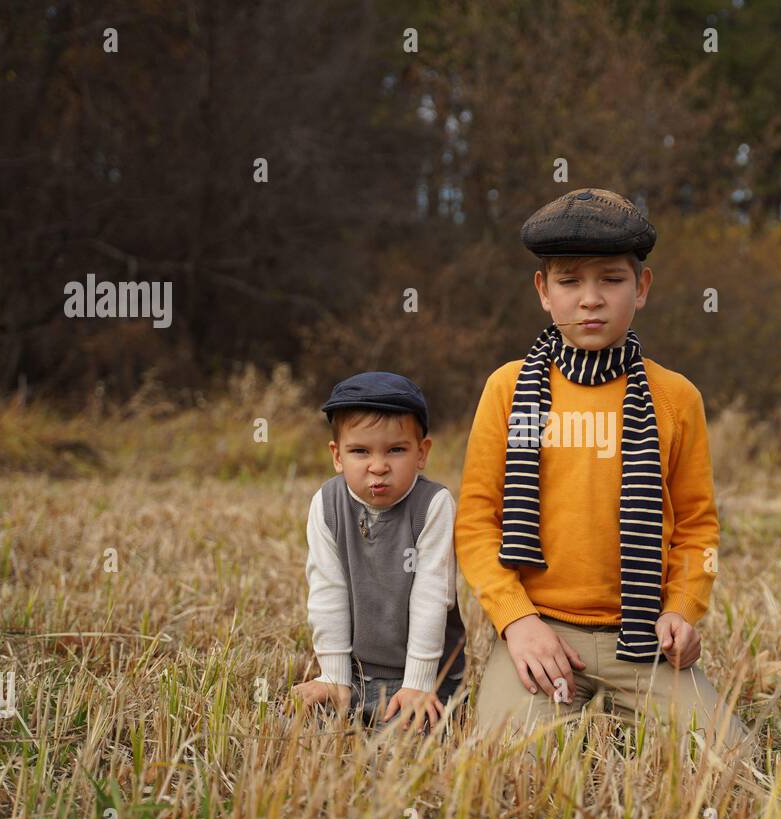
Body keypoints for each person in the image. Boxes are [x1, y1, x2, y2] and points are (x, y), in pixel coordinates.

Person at [455, 187, 747, 754]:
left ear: (641, 288)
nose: (590, 299)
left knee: (728, 760)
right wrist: (517, 622)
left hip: (638, 635)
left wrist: (684, 611)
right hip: (542, 630)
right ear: (543, 291)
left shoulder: (676, 398)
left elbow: (696, 527)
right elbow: (476, 522)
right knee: (508, 766)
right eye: (569, 281)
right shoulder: (508, 389)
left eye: (611, 280)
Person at [292, 371, 465, 730]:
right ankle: (348, 697)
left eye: (396, 450)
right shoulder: (327, 503)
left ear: (422, 453)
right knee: (299, 726)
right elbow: (328, 591)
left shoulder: (432, 505)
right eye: (360, 451)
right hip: (356, 673)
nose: (379, 466)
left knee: (411, 739)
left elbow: (432, 597)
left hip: (426, 674)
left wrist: (417, 684)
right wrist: (336, 678)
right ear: (337, 456)